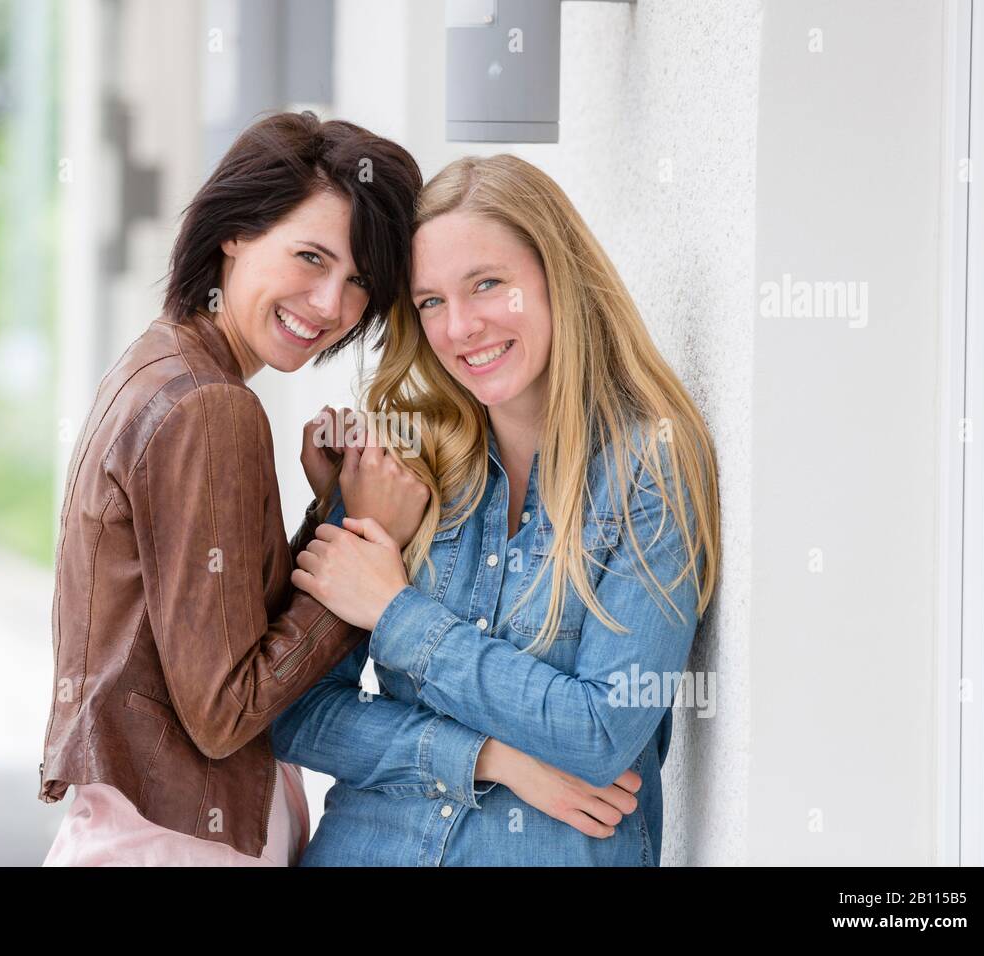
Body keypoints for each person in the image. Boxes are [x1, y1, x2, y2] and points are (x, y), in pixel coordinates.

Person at [273, 154, 721, 866]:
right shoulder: (400, 463)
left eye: (488, 285)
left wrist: (395, 612)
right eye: (431, 302)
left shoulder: (647, 467)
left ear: (557, 277)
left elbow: (601, 732)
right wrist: (487, 757)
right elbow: (295, 712)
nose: (462, 328)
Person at [37, 111, 425, 866]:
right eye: (309, 257)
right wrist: (365, 539)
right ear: (236, 232)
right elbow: (223, 711)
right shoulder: (213, 406)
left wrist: (327, 514)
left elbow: (216, 638)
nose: (328, 305)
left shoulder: (160, 366)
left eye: (358, 283)